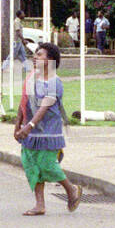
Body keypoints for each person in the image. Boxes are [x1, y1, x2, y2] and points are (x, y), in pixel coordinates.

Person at [14, 42, 81, 216]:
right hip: (30, 132)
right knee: (31, 165)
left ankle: (71, 189)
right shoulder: (31, 78)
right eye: (35, 54)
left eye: (40, 55)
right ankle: (39, 204)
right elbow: (24, 103)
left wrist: (30, 126)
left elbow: (44, 107)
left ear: (50, 60)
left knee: (47, 164)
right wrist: (18, 125)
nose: (35, 57)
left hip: (48, 132)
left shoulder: (54, 82)